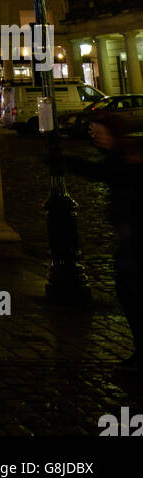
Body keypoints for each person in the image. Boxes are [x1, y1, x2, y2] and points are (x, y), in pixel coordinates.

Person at [63, 111, 143, 368]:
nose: (94, 137)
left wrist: (69, 163)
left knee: (131, 290)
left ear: (112, 133)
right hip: (129, 234)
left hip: (136, 235)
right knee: (128, 289)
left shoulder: (128, 156)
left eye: (98, 132)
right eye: (92, 132)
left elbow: (109, 174)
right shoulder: (121, 154)